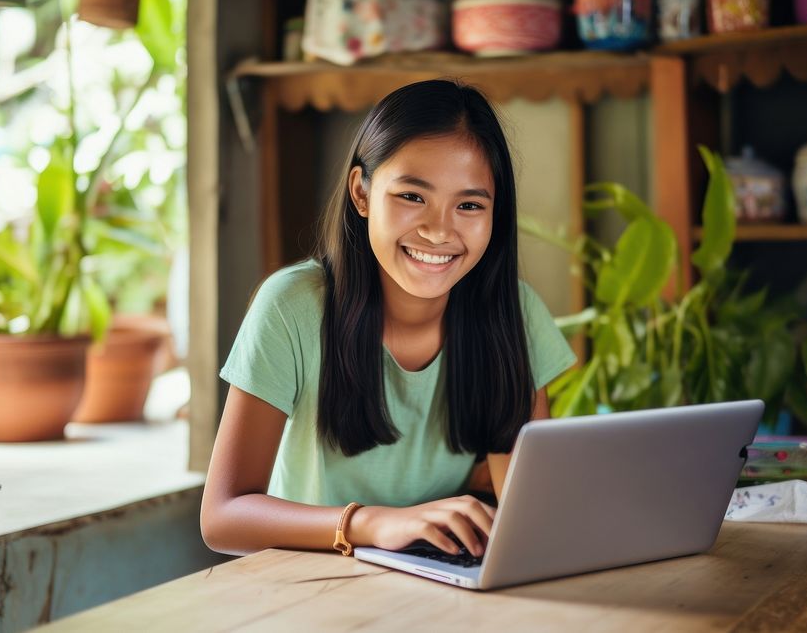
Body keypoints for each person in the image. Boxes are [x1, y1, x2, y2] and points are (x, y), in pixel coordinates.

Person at [200, 79, 576, 560]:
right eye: (412, 197)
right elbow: (223, 518)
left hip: (442, 588)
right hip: (310, 592)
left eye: (469, 205)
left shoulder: (515, 315)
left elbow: (529, 510)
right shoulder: (292, 306)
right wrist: (373, 524)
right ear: (361, 192)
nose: (439, 230)